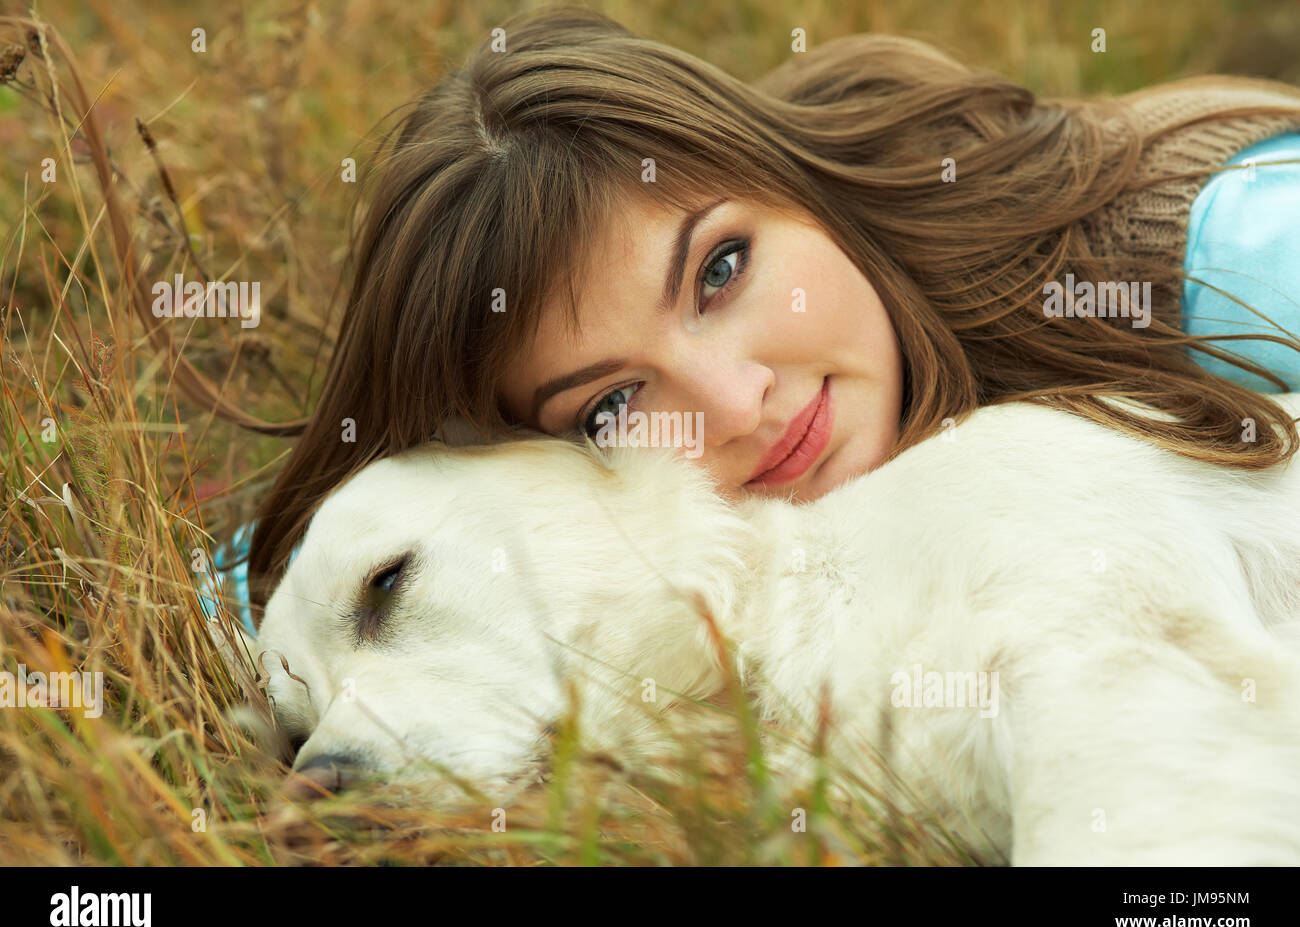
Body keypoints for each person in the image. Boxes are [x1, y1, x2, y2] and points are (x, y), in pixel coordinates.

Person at [216, 6, 1300, 631]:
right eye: (611, 405)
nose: (735, 402)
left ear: (788, 178)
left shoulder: (1226, 274)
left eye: (721, 270)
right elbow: (283, 565)